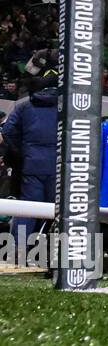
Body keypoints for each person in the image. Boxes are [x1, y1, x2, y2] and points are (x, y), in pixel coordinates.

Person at [0, 72, 59, 241]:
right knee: (55, 209)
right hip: (58, 164)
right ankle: (49, 248)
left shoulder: (24, 106)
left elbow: (8, 132)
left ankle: (18, 248)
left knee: (28, 207)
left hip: (31, 163)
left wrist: (22, 151)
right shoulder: (66, 106)